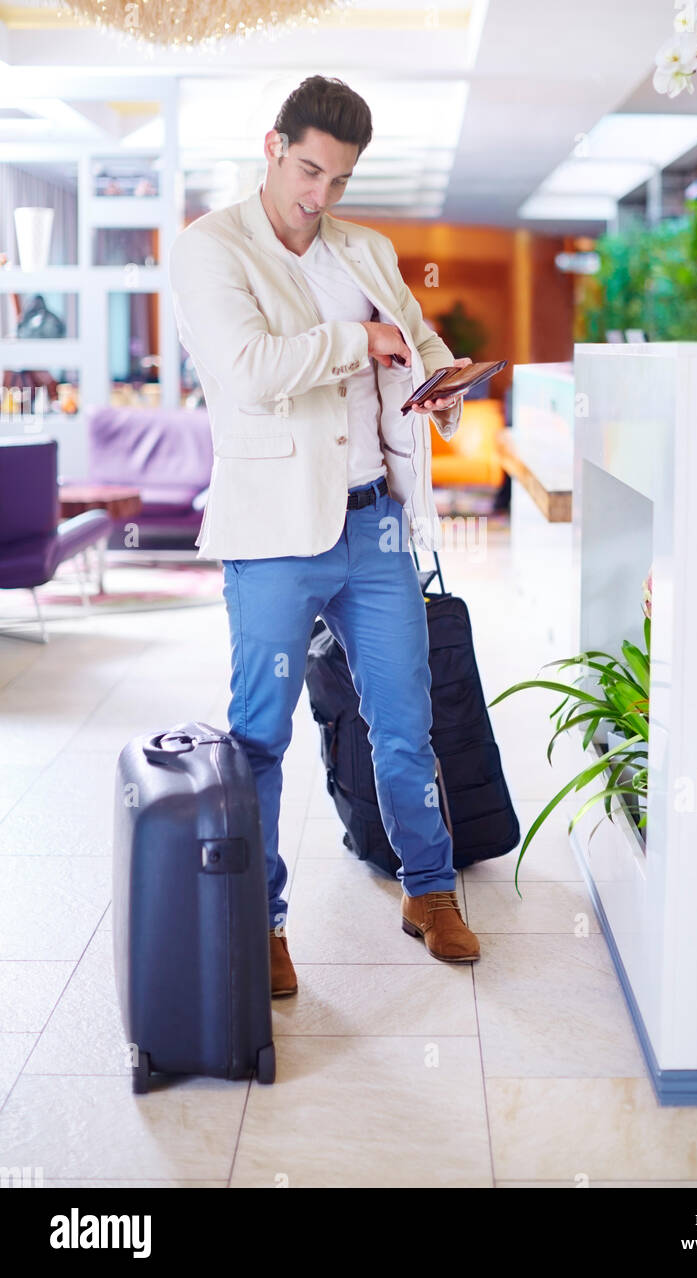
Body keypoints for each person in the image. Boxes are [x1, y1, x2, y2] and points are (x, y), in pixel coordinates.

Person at [169, 75, 481, 995]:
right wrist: (360, 344)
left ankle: (429, 890)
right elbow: (251, 370)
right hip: (272, 534)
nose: (320, 196)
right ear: (272, 146)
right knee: (259, 736)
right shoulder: (209, 249)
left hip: (374, 523)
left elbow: (415, 344)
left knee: (407, 725)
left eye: (339, 180)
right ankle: (259, 922)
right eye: (309, 170)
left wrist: (441, 380)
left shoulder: (367, 249)